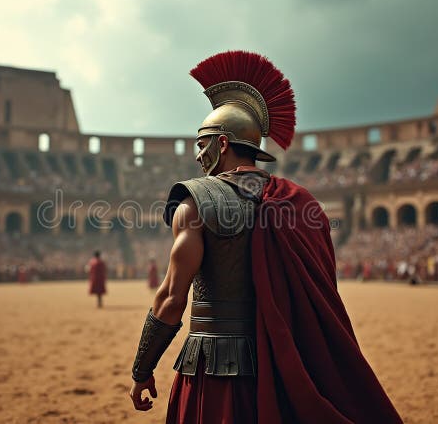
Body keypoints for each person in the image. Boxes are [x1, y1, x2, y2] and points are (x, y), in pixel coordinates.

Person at [129, 51, 402, 423]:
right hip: (282, 366)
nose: (198, 156)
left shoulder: (195, 204)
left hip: (213, 369)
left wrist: (142, 370)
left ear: (222, 144)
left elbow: (172, 297)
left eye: (201, 144)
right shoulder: (302, 203)